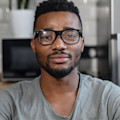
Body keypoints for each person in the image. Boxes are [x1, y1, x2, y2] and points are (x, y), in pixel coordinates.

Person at [0, 0, 120, 119]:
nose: (59, 45)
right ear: (34, 45)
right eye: (47, 36)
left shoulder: (110, 98)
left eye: (70, 35)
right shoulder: (9, 101)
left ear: (82, 43)